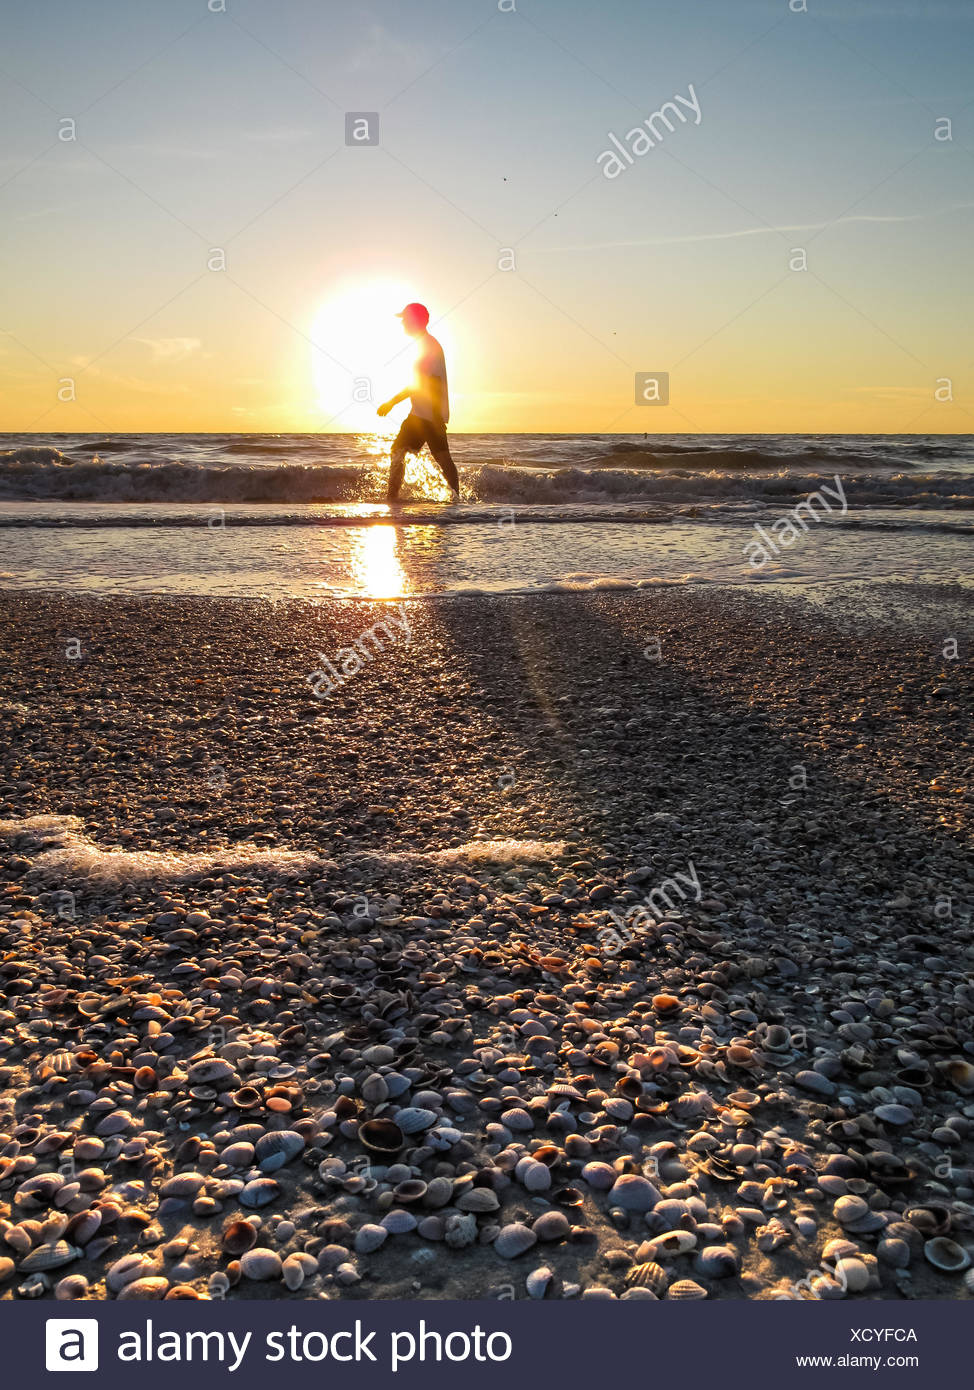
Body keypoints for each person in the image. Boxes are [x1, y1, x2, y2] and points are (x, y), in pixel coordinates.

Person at [377, 303, 460, 503]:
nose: (403, 323)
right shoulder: (423, 344)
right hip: (421, 414)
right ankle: (393, 498)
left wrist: (392, 402)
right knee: (398, 452)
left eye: (406, 319)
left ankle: (456, 500)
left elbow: (432, 383)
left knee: (440, 457)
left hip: (429, 416)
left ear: (416, 321)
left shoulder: (428, 346)